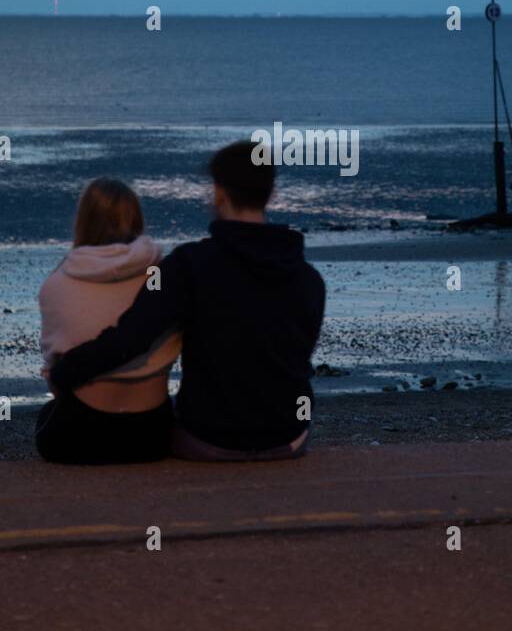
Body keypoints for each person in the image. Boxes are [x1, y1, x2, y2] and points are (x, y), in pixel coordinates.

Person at [49, 141, 326, 461]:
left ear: (219, 193)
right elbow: (297, 361)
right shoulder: (309, 279)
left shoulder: (187, 265)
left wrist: (66, 370)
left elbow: (131, 339)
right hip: (289, 435)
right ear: (271, 193)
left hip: (210, 437)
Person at [37, 178, 181, 463]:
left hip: (81, 435)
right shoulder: (166, 277)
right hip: (153, 432)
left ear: (83, 221)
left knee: (46, 415)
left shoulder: (55, 285)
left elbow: (56, 380)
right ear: (137, 218)